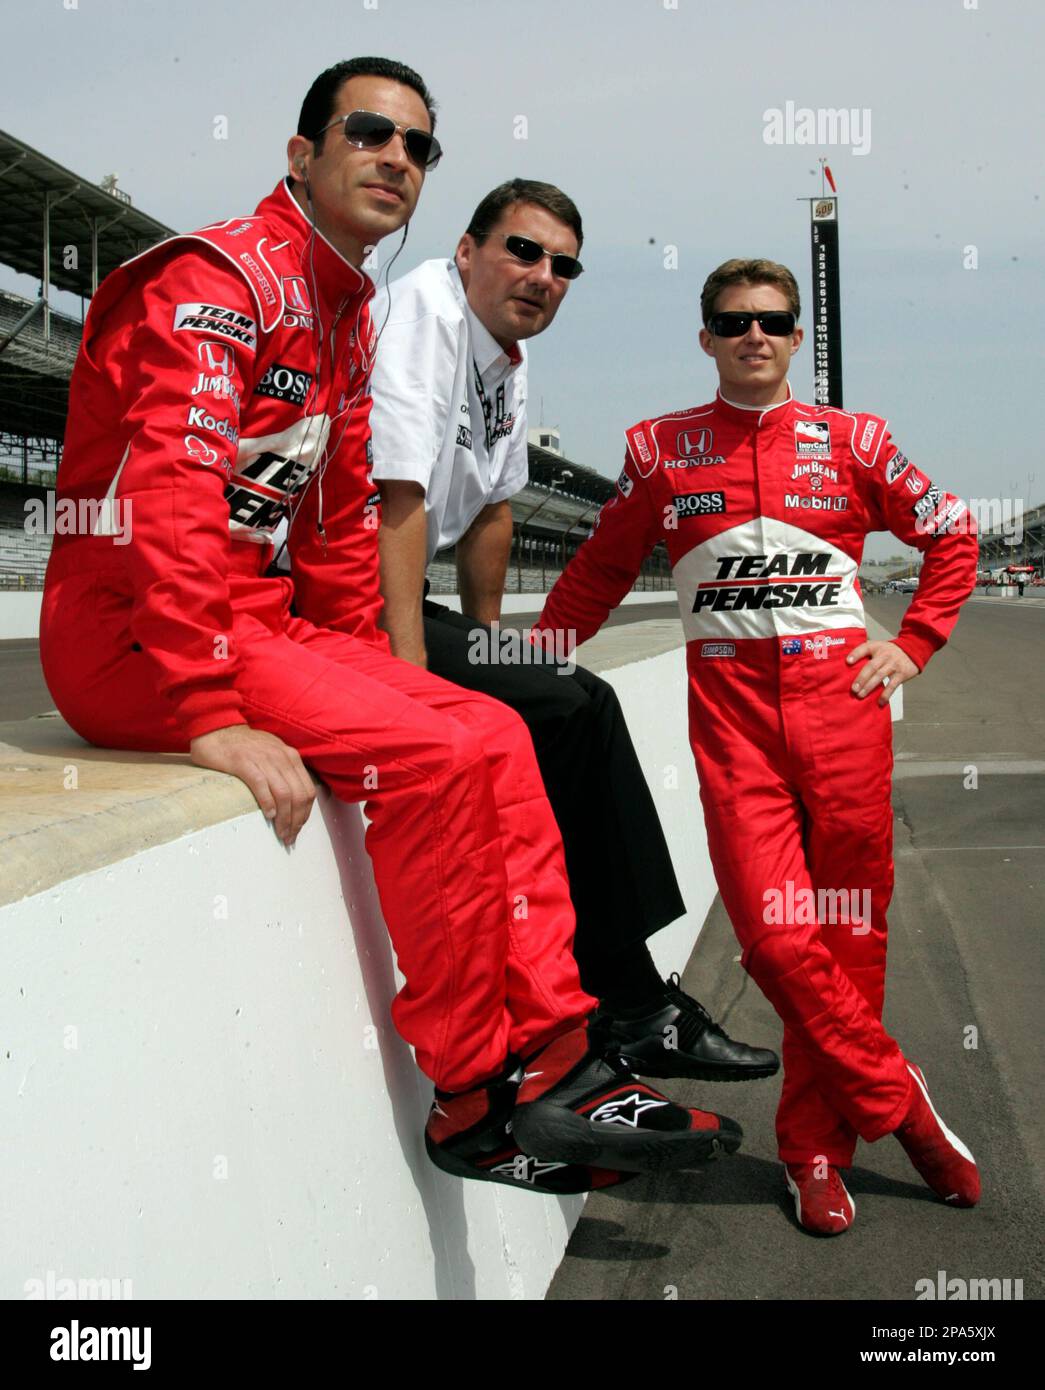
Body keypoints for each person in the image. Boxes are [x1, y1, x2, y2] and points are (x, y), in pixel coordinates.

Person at [38, 58, 744, 1196]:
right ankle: (474, 1098)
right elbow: (170, 499)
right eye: (370, 133)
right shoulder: (214, 277)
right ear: (300, 154)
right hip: (132, 637)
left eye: (420, 147)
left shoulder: (345, 310)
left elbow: (329, 527)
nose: (398, 159)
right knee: (438, 753)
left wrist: (371, 668)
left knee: (495, 734)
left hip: (261, 620)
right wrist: (207, 711)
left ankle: (562, 1060)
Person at [534, 258, 982, 1233]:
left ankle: (814, 1153)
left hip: (847, 727)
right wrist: (516, 670)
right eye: (733, 320)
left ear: (794, 337)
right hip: (737, 744)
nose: (754, 334)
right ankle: (898, 1103)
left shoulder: (853, 439)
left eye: (772, 320)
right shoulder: (660, 450)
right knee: (779, 941)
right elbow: (596, 574)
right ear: (706, 336)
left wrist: (911, 643)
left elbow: (952, 535)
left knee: (849, 948)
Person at [354, 178, 778, 1086]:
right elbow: (399, 498)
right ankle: (631, 1003)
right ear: (466, 249)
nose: (544, 275)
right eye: (522, 250)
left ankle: (627, 996)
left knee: (568, 693)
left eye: (563, 265)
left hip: (403, 590)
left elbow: (495, 512)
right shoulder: (420, 316)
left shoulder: (504, 356)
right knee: (569, 705)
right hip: (344, 591)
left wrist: (487, 644)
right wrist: (414, 672)